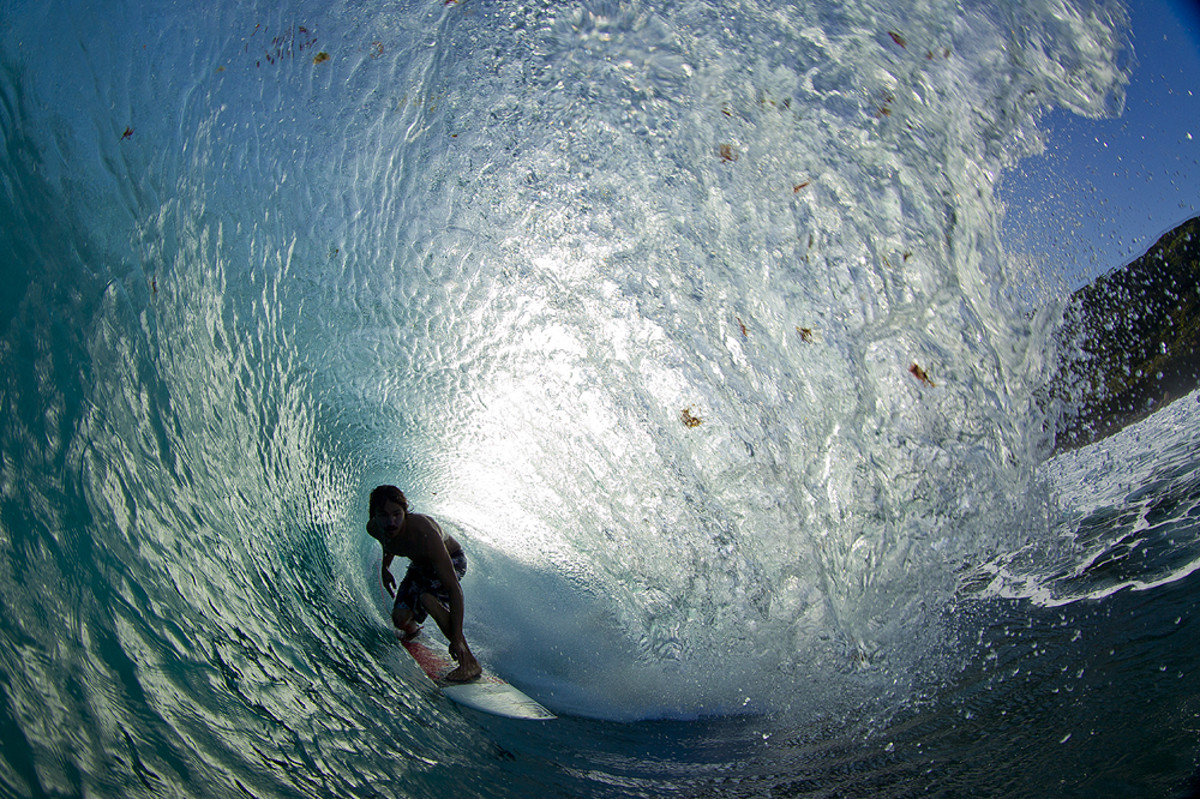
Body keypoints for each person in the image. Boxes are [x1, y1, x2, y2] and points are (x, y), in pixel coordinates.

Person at [367, 485, 482, 682]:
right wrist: (385, 568)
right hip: (421, 565)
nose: (391, 521)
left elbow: (454, 589)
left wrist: (456, 639)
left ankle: (468, 662)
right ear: (374, 516)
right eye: (383, 515)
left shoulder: (425, 534)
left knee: (427, 598)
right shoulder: (375, 528)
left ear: (405, 512)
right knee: (400, 620)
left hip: (451, 560)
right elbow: (390, 541)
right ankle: (414, 633)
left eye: (397, 514)